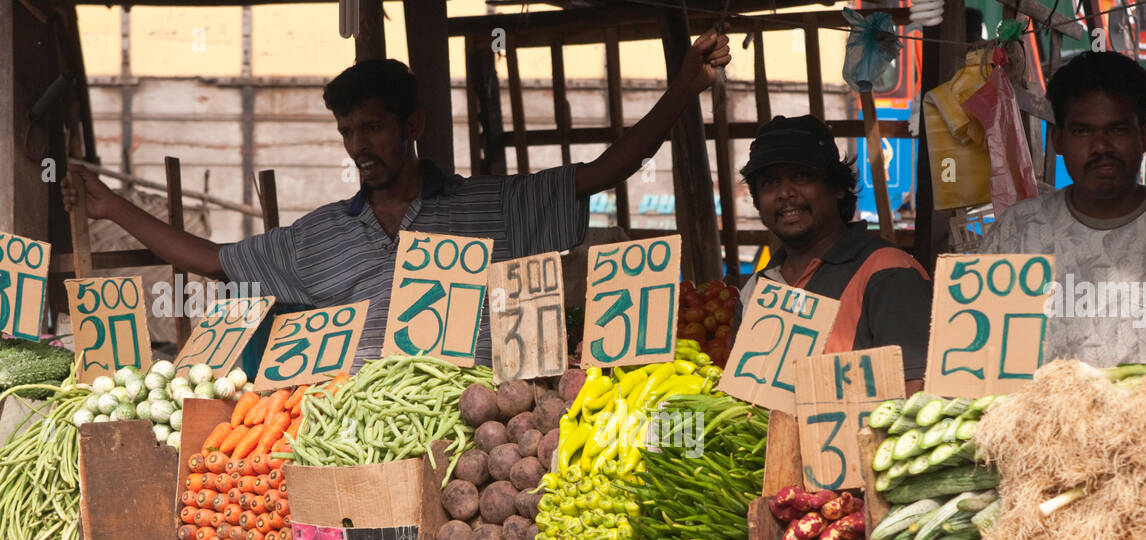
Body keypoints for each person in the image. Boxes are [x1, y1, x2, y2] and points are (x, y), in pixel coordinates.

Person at [62, 33, 732, 368]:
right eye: (348, 132)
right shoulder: (318, 236)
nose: (360, 146)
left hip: (479, 443)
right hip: (361, 445)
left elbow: (609, 168)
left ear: (411, 126)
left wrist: (683, 88)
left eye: (373, 127)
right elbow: (213, 261)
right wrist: (113, 208)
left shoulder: (492, 207)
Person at [978, 50, 1146, 367]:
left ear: (1145, 136)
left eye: (1118, 129)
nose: (1101, 147)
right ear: (1058, 140)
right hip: (1037, 416)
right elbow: (974, 356)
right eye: (1083, 130)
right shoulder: (1017, 231)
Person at [735, 115, 933, 382]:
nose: (785, 193)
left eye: (801, 176)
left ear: (838, 187)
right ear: (757, 199)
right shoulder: (757, 289)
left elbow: (917, 389)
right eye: (770, 182)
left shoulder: (889, 272)